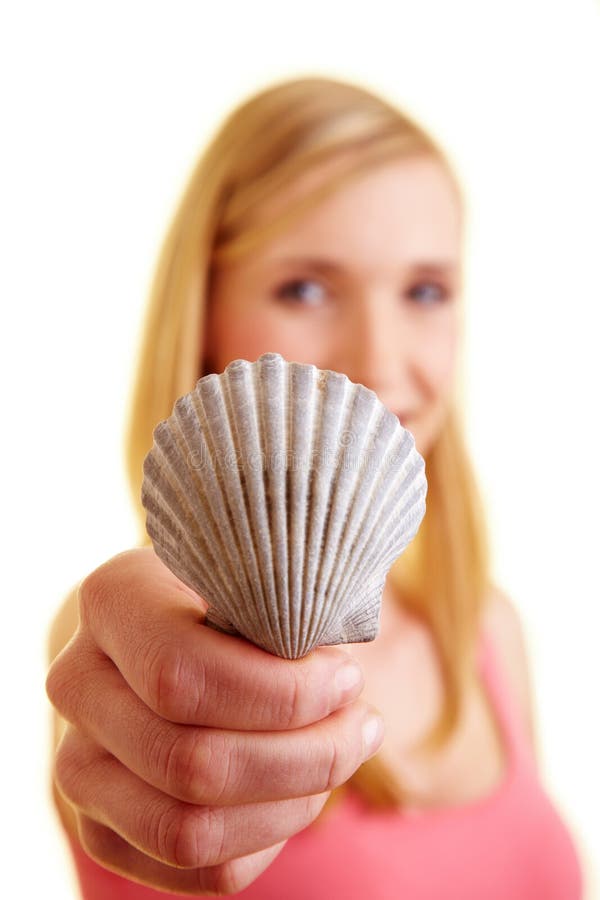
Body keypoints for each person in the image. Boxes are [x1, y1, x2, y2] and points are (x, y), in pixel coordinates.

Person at [45, 75, 584, 899]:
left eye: (424, 291)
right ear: (207, 312)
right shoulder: (132, 660)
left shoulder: (485, 632)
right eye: (307, 288)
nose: (377, 359)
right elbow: (127, 667)